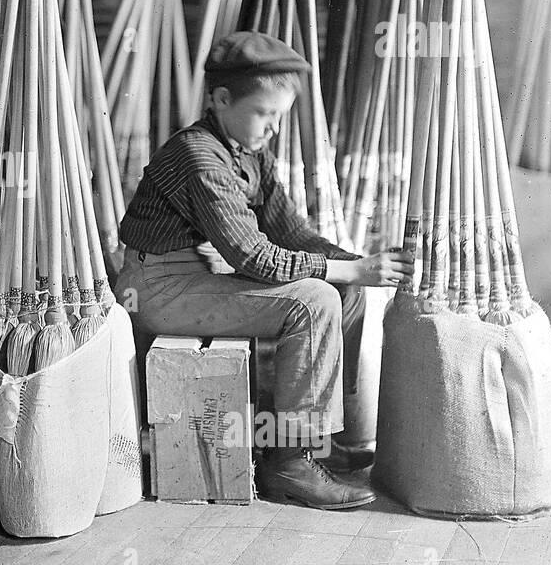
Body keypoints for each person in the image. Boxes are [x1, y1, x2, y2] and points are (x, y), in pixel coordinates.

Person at [115, 31, 414, 510]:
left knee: (347, 292)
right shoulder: (198, 155)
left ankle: (314, 436)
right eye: (265, 113)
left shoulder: (248, 153)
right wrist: (352, 270)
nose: (274, 127)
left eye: (279, 116)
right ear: (221, 99)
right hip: (155, 287)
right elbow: (254, 257)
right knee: (313, 300)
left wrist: (357, 265)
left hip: (190, 276)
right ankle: (289, 463)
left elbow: (291, 233)